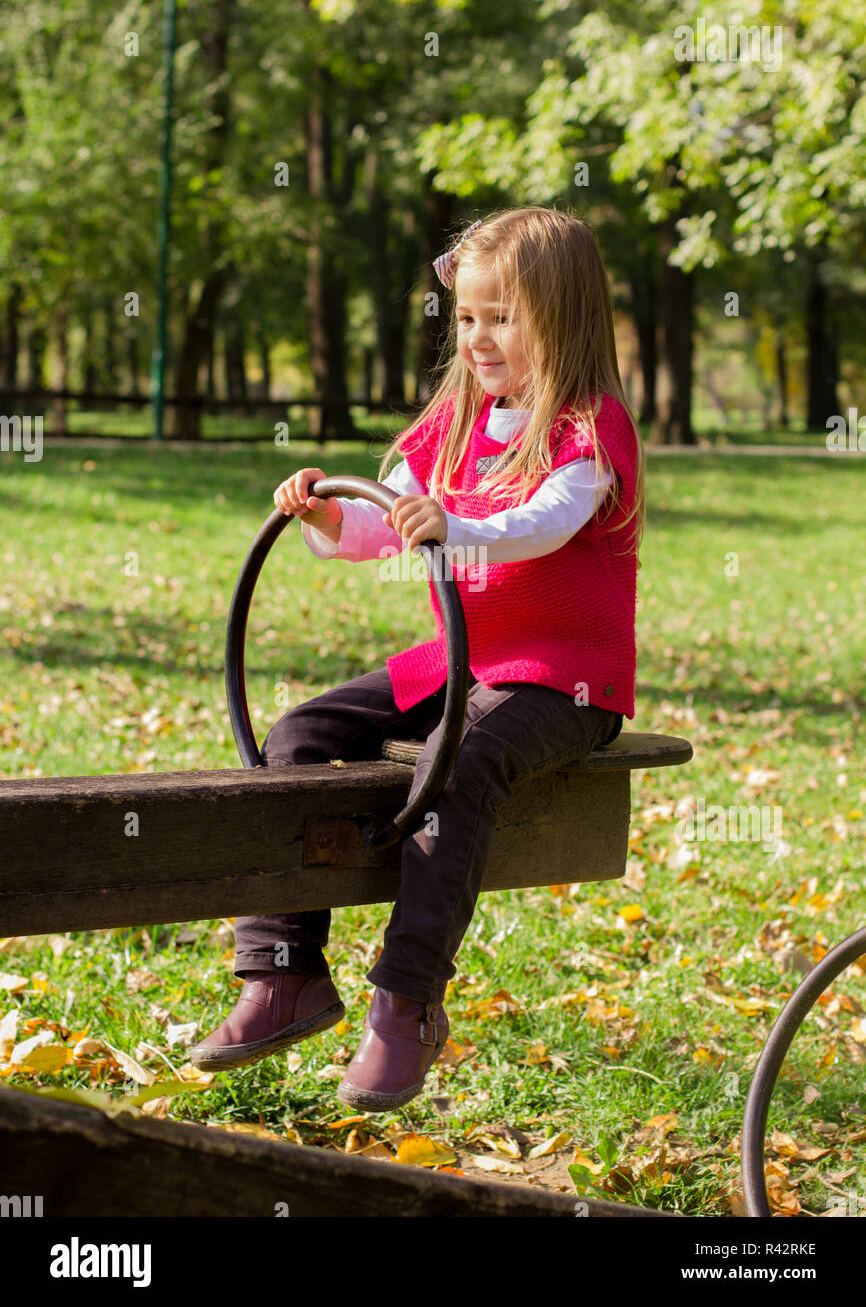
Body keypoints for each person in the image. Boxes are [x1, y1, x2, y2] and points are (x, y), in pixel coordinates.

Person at [190, 206, 646, 1113]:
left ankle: (405, 1005)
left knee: (457, 762)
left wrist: (459, 523)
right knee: (300, 731)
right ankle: (282, 972)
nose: (477, 337)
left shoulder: (588, 429)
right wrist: (327, 519)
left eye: (502, 317)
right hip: (462, 661)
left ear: (564, 317)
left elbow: (543, 524)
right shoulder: (448, 425)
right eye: (467, 317)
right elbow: (376, 523)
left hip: (564, 679)